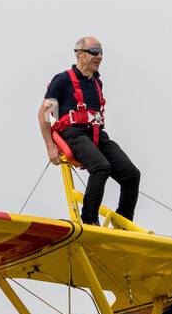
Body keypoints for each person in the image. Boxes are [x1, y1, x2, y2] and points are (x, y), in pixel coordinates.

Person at [38, 36, 140, 226]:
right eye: (94, 52)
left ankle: (124, 224)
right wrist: (50, 146)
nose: (99, 56)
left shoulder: (97, 83)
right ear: (79, 54)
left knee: (131, 174)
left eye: (101, 53)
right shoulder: (62, 80)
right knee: (101, 167)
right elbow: (44, 113)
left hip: (96, 135)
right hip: (73, 134)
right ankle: (89, 220)